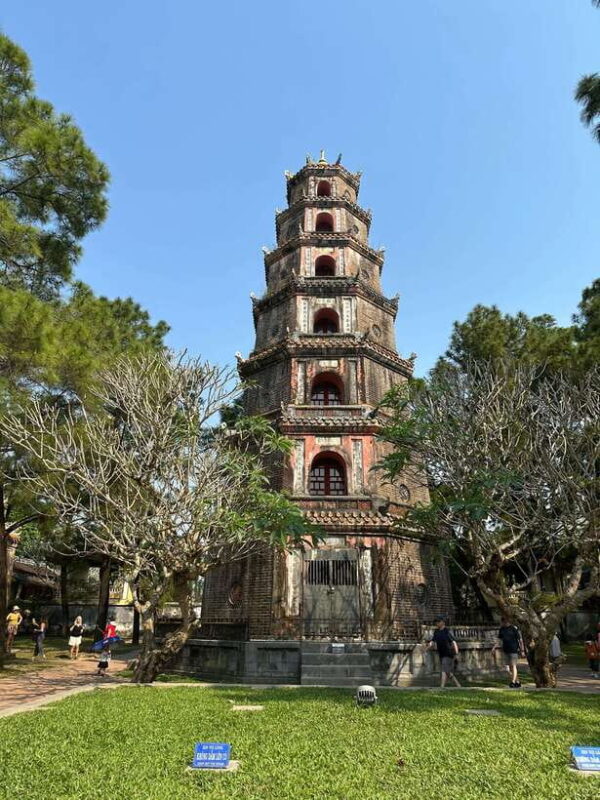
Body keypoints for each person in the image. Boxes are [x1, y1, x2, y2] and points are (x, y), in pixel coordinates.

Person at [428, 617, 461, 688]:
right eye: (436, 622)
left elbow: (454, 643)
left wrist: (456, 654)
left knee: (444, 669)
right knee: (447, 671)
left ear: (443, 622)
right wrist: (428, 646)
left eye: (438, 622)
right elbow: (433, 641)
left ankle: (442, 686)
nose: (437, 623)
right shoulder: (436, 632)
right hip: (441, 653)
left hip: (448, 653)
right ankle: (458, 685)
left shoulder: (447, 631)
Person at [492, 617, 525, 688]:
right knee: (508, 668)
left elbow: (520, 640)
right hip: (506, 650)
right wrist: (494, 647)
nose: (501, 623)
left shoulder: (513, 629)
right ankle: (518, 681)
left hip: (514, 650)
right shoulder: (502, 629)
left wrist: (522, 650)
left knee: (513, 666)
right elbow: (499, 639)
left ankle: (512, 682)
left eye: (502, 622)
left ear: (505, 621)